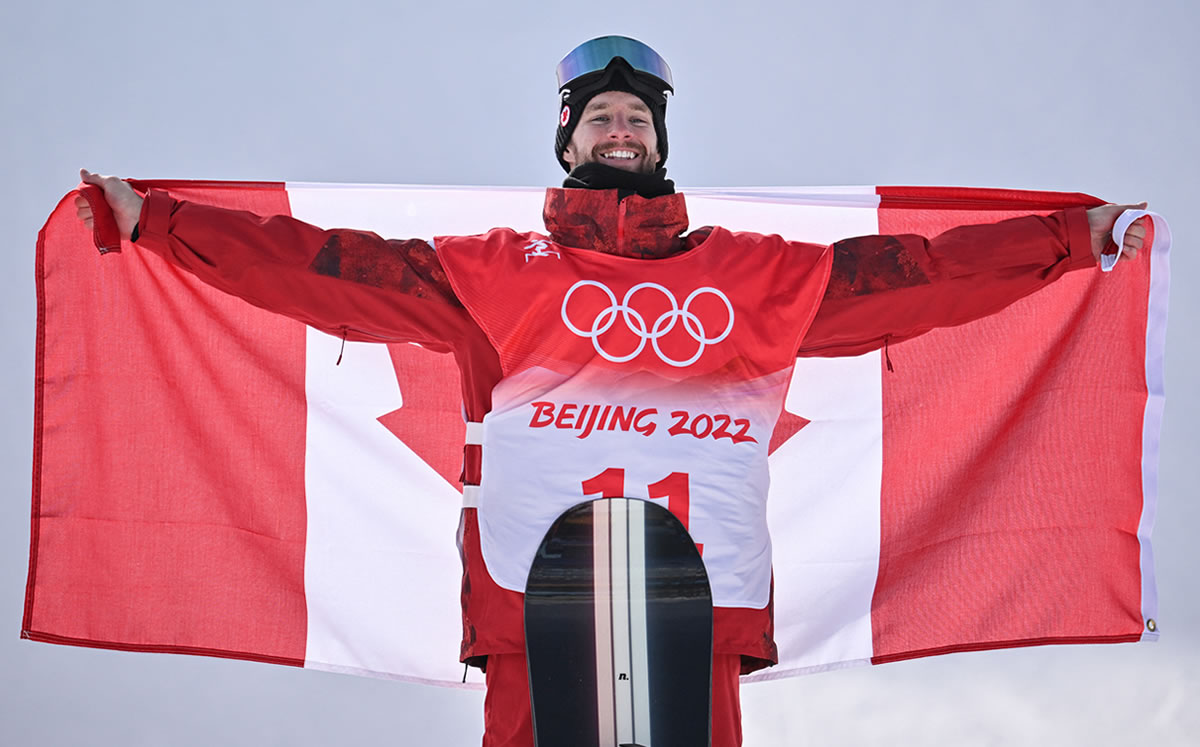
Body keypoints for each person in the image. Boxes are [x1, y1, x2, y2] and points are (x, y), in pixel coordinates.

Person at [76, 35, 1147, 747]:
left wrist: (1069, 239)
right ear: (567, 139)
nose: (620, 128)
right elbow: (325, 269)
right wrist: (160, 221)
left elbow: (914, 278)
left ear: (661, 140)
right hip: (541, 602)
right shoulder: (496, 272)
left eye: (635, 116)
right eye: (600, 118)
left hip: (695, 608)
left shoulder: (753, 278)